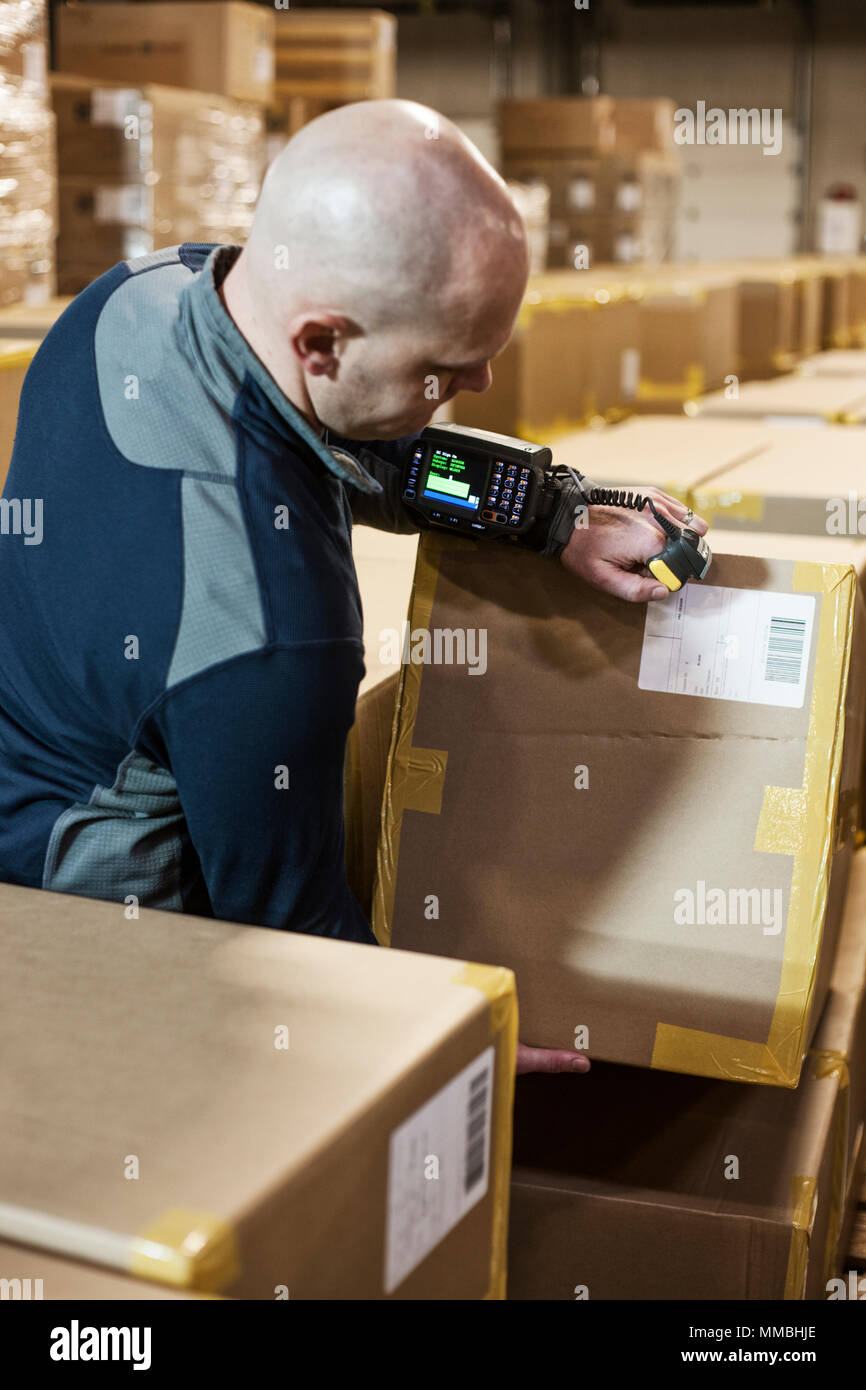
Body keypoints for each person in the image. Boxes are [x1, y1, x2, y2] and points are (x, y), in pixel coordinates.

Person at [0, 99, 706, 1074]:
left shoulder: (135, 296)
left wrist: (555, 515)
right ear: (322, 343)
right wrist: (449, 1041)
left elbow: (340, 437)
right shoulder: (274, 634)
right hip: (84, 897)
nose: (481, 383)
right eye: (445, 368)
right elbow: (293, 937)